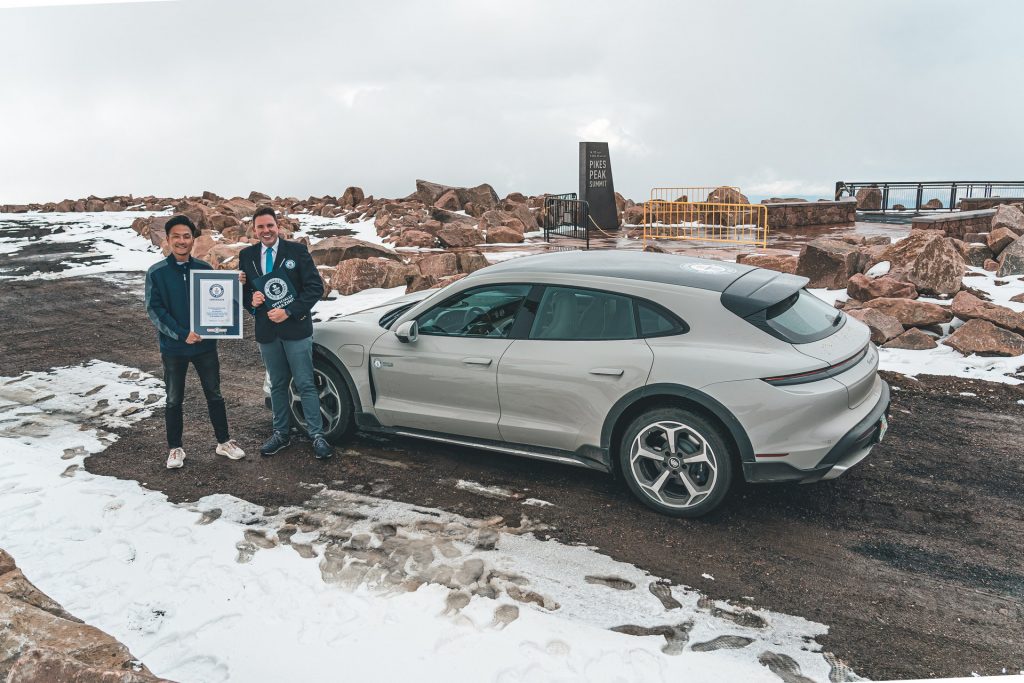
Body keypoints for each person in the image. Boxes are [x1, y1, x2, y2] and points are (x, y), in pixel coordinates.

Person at [145, 215, 246, 469]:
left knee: (214, 394)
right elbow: (155, 311)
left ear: (193, 240)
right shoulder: (157, 273)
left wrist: (235, 286)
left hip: (205, 347)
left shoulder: (204, 269)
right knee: (174, 398)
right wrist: (181, 333)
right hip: (174, 348)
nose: (182, 241)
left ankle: (224, 442)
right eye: (176, 236)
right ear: (168, 240)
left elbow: (222, 303)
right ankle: (175, 448)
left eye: (186, 236)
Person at [240, 207, 334, 460]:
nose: (266, 231)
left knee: (305, 383)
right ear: (254, 229)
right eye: (260, 227)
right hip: (267, 332)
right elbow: (245, 294)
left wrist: (289, 311)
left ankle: (317, 435)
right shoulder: (246, 256)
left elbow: (315, 287)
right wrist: (253, 300)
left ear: (278, 226)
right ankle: (281, 434)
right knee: (278, 384)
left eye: (270, 225)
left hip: (295, 328)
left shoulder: (297, 251)